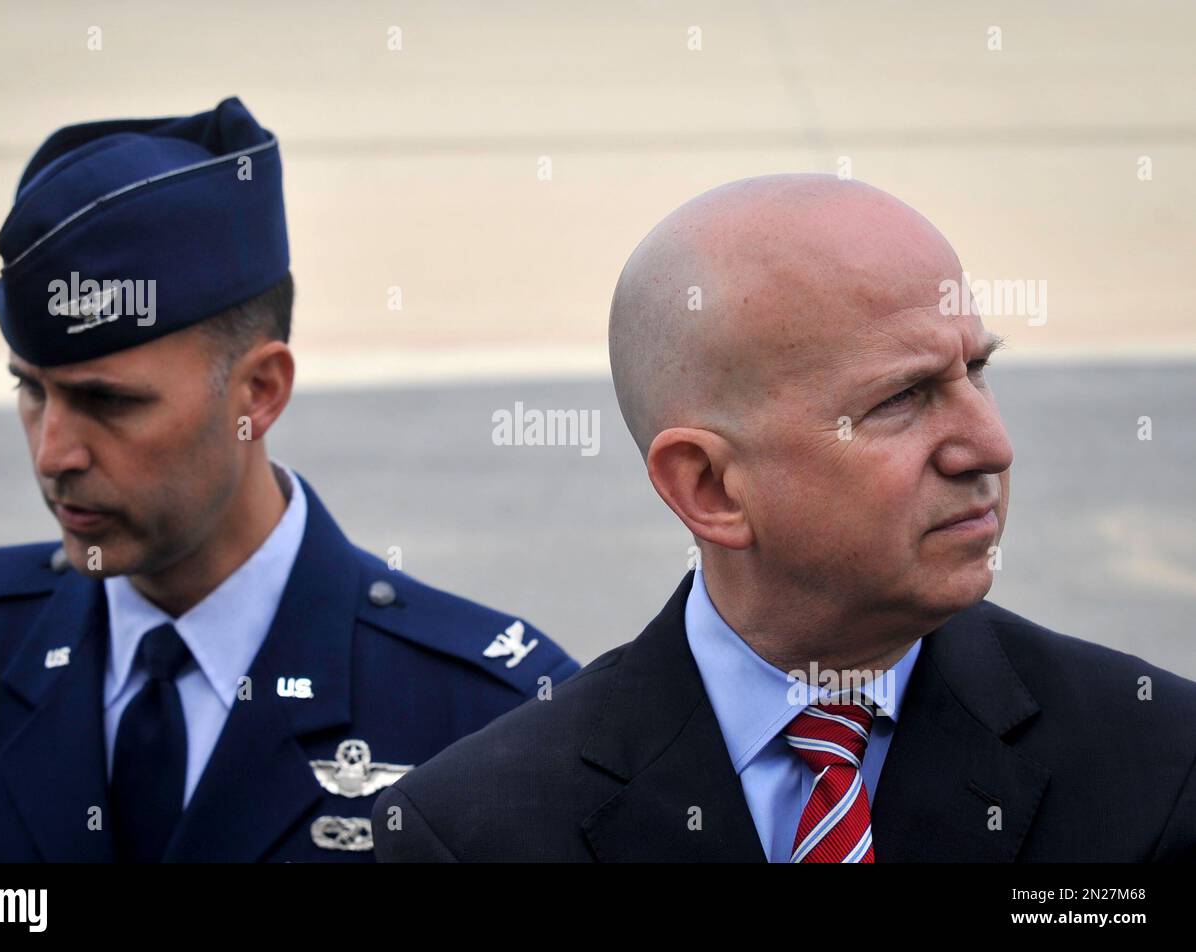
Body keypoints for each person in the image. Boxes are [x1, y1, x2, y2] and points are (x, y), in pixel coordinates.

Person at [372, 173, 1196, 862]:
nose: (988, 444)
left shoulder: (1160, 763)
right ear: (710, 489)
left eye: (975, 370)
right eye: (903, 399)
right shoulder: (475, 836)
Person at [0, 97, 577, 863]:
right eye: (31, 390)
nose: (54, 455)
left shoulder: (487, 721)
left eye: (107, 401)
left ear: (259, 393)